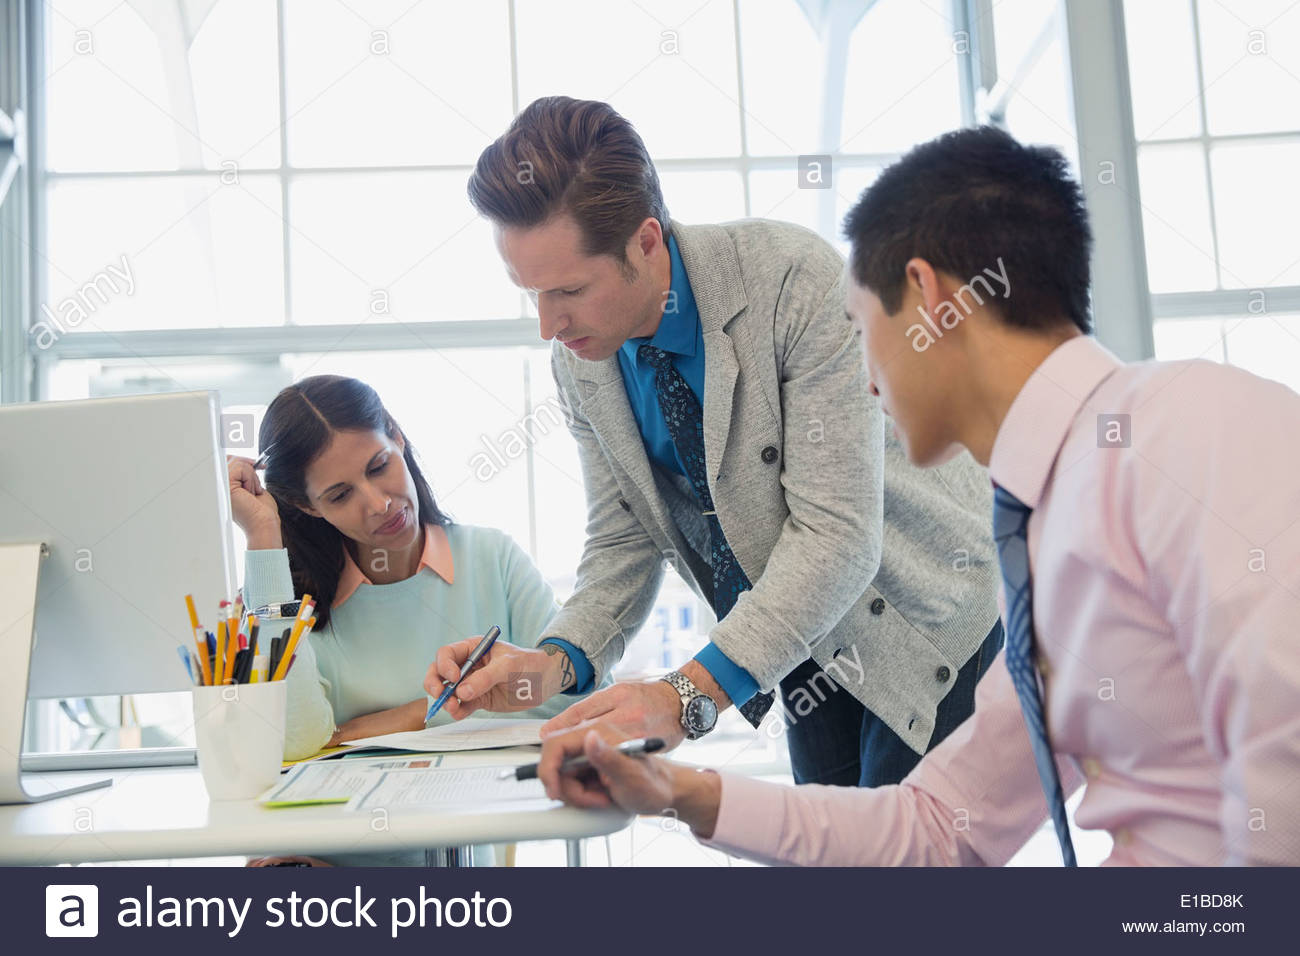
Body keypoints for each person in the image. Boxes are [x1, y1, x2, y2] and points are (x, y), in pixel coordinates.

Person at [531, 126, 1300, 867]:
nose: (865, 380)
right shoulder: (1045, 543)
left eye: (863, 329)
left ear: (927, 298)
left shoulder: (1196, 430)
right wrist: (681, 793)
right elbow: (937, 829)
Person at [425, 96, 1003, 789]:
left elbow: (838, 535)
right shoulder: (583, 359)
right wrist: (550, 663)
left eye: (570, 289)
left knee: (906, 875)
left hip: (923, 615)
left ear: (645, 240)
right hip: (796, 639)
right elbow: (623, 540)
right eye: (531, 295)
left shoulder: (791, 280)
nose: (549, 325)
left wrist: (682, 698)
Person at [229, 374, 597, 865]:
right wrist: (263, 538)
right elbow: (292, 745)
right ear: (305, 506)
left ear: (397, 436)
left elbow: (579, 702)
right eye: (340, 495)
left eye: (380, 466)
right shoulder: (279, 596)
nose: (378, 503)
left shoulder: (492, 559)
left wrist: (388, 723)